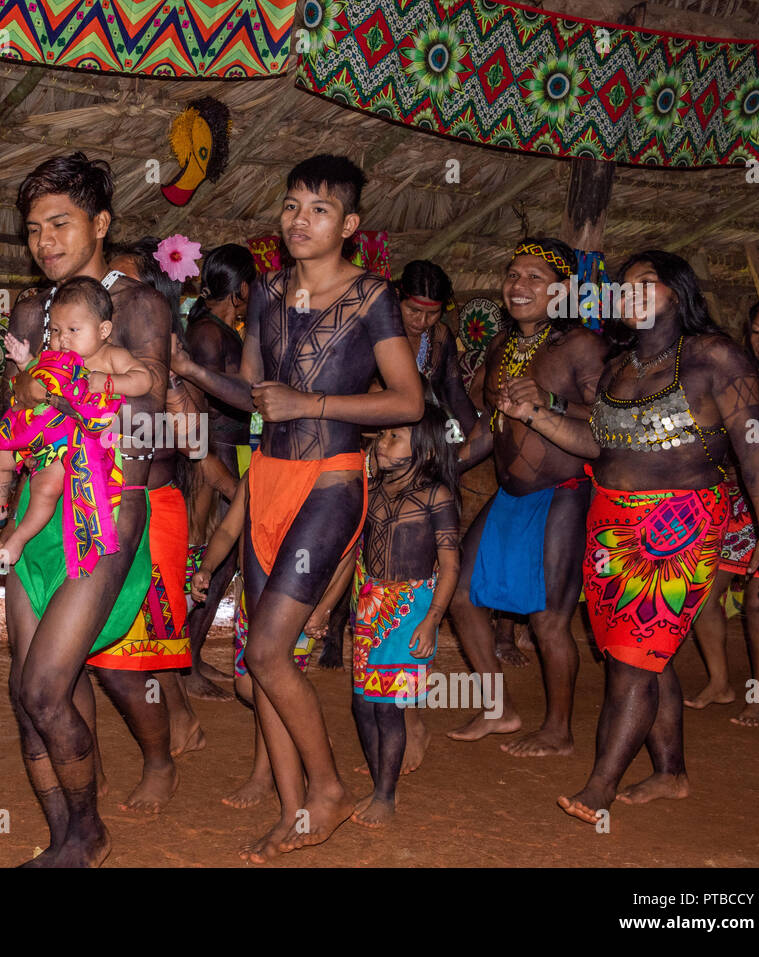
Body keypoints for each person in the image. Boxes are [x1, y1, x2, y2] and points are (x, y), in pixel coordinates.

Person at [171, 153, 422, 862]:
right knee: (262, 659)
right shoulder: (269, 292)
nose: (299, 220)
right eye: (290, 205)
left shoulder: (372, 297)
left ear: (349, 224)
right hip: (268, 480)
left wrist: (311, 403)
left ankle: (329, 788)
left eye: (318, 209)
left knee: (266, 649)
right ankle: (296, 810)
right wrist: (191, 371)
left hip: (330, 481)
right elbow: (255, 395)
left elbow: (408, 400)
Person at [496, 250, 759, 823]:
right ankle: (671, 773)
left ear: (678, 292)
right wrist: (535, 416)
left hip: (680, 525)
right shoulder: (618, 368)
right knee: (642, 657)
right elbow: (600, 445)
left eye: (646, 284)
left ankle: (599, 786)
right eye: (622, 286)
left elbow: (753, 449)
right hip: (610, 524)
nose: (630, 294)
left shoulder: (714, 356)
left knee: (632, 659)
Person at [0, 153, 170, 867]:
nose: (44, 241)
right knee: (28, 693)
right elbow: (15, 410)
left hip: (103, 511)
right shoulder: (29, 311)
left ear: (100, 223)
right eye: (33, 229)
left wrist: (72, 389)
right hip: (37, 508)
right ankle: (65, 835)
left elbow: (150, 414)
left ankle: (90, 832)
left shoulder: (138, 306)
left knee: (46, 688)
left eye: (59, 223)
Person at [448, 237, 607, 757]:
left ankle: (559, 730)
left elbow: (614, 422)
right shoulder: (500, 346)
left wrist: (552, 401)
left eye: (535, 278)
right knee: (460, 594)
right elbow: (489, 428)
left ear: (563, 291)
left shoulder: (582, 346)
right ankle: (500, 709)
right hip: (510, 494)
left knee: (548, 619)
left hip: (563, 493)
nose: (519, 286)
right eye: (513, 275)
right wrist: (438, 464)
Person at [77, 238, 205, 813]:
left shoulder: (168, 362)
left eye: (125, 283)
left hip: (151, 506)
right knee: (93, 642)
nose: (114, 293)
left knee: (138, 641)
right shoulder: (80, 350)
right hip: (89, 507)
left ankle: (167, 748)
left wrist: (166, 377)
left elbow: (194, 442)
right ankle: (95, 761)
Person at [0, 277, 152, 569]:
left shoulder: (111, 356)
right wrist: (25, 361)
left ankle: (19, 539)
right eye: (55, 330)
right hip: (38, 431)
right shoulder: (54, 357)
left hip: (69, 446)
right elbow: (38, 375)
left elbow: (144, 379)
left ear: (103, 330)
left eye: (73, 330)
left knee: (46, 488)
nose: (62, 339)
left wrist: (108, 382)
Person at [684, 293, 759, 723]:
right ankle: (720, 682)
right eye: (755, 332)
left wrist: (751, 414)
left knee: (758, 603)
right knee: (701, 595)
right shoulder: (740, 375)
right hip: (735, 500)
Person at [350, 406, 460, 827]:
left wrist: (432, 619)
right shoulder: (372, 489)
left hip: (411, 608)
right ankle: (382, 774)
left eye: (395, 436)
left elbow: (450, 565)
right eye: (382, 435)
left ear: (427, 452)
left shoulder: (436, 497)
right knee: (363, 704)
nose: (382, 442)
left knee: (388, 708)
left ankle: (385, 794)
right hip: (370, 602)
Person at [188, 468, 316, 810]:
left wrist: (325, 605)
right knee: (249, 685)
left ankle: (265, 774)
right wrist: (207, 567)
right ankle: (304, 731)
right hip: (252, 598)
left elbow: (338, 550)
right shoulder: (257, 472)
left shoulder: (315, 475)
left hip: (294, 601)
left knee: (268, 685)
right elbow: (229, 529)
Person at [180, 244, 257, 699]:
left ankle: (190, 654)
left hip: (228, 450)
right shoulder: (208, 333)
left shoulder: (221, 330)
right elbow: (199, 404)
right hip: (210, 455)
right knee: (206, 557)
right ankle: (182, 664)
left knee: (223, 561)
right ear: (242, 288)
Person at [396, 260, 478, 435]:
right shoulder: (379, 334)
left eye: (433, 313)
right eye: (414, 310)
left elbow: (456, 396)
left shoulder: (441, 337)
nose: (422, 321)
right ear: (398, 297)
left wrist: (475, 439)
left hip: (430, 434)